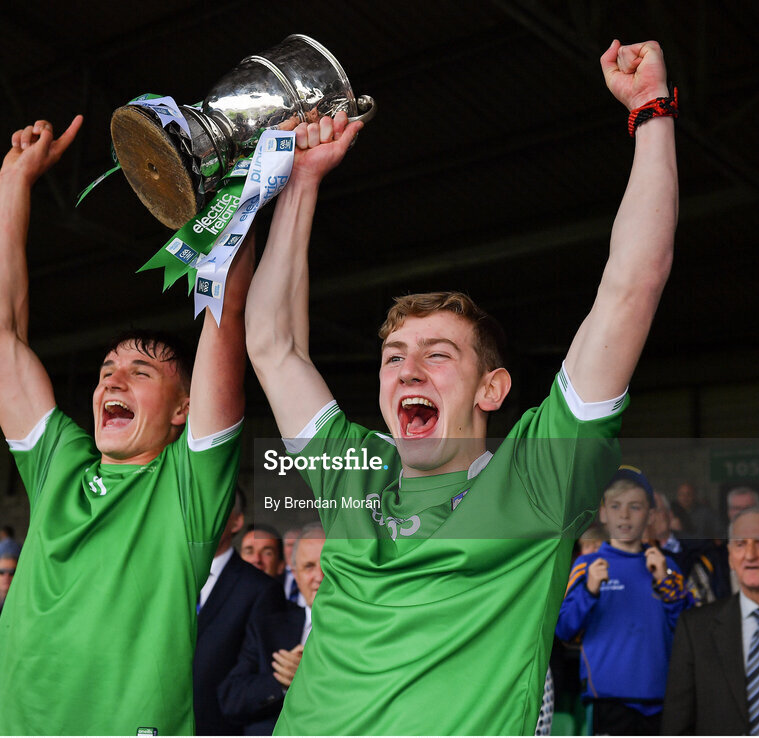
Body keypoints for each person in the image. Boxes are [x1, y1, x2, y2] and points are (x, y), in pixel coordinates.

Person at [244, 39, 678, 735]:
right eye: (393, 357)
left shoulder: (537, 479)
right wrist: (302, 184)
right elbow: (271, 345)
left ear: (491, 389)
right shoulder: (352, 469)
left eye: (438, 355)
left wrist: (650, 112)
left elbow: (633, 285)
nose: (409, 370)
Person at [0, 115, 252, 735]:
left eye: (141, 372)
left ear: (183, 410)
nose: (112, 382)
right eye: (105, 371)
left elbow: (226, 317)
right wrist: (14, 180)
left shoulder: (187, 486)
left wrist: (241, 186)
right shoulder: (58, 465)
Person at [556, 467, 693, 734]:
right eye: (616, 506)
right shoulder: (587, 566)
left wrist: (666, 584)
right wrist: (589, 592)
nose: (625, 515)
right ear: (603, 513)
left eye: (635, 506)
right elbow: (563, 630)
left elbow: (689, 633)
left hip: (662, 698)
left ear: (650, 515)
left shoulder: (667, 566)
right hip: (609, 701)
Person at [662, 508, 759, 735]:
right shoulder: (695, 629)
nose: (750, 555)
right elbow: (677, 724)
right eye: (740, 545)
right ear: (730, 557)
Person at [219, 523, 326, 734]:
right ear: (294, 573)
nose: (319, 577)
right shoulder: (267, 627)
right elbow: (231, 698)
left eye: (327, 567)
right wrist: (281, 682)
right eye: (309, 567)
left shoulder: (368, 630)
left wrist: (308, 676)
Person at [194, 491, 286, 735]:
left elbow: (263, 675)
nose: (198, 516)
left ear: (236, 521)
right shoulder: (168, 579)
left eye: (211, 507)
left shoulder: (261, 589)